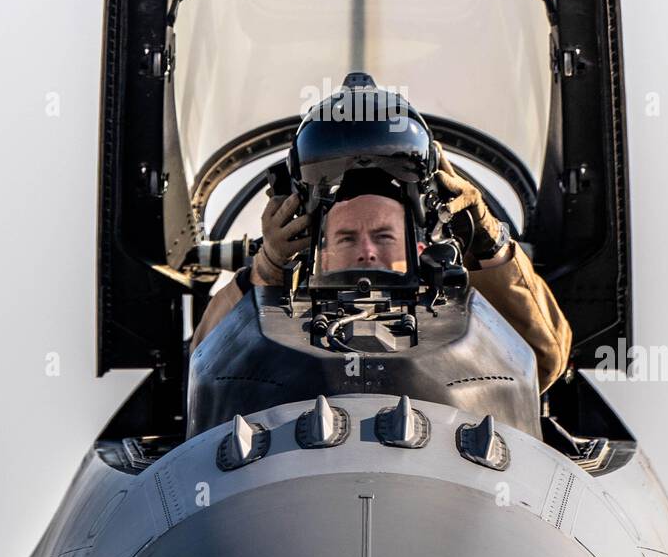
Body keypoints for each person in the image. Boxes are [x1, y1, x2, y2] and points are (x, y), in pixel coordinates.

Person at [190, 146, 573, 393]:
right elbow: (204, 369)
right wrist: (267, 271)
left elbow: (543, 358)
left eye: (384, 235)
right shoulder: (278, 315)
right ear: (317, 250)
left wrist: (489, 243)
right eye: (346, 238)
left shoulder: (459, 310)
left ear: (419, 245)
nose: (367, 251)